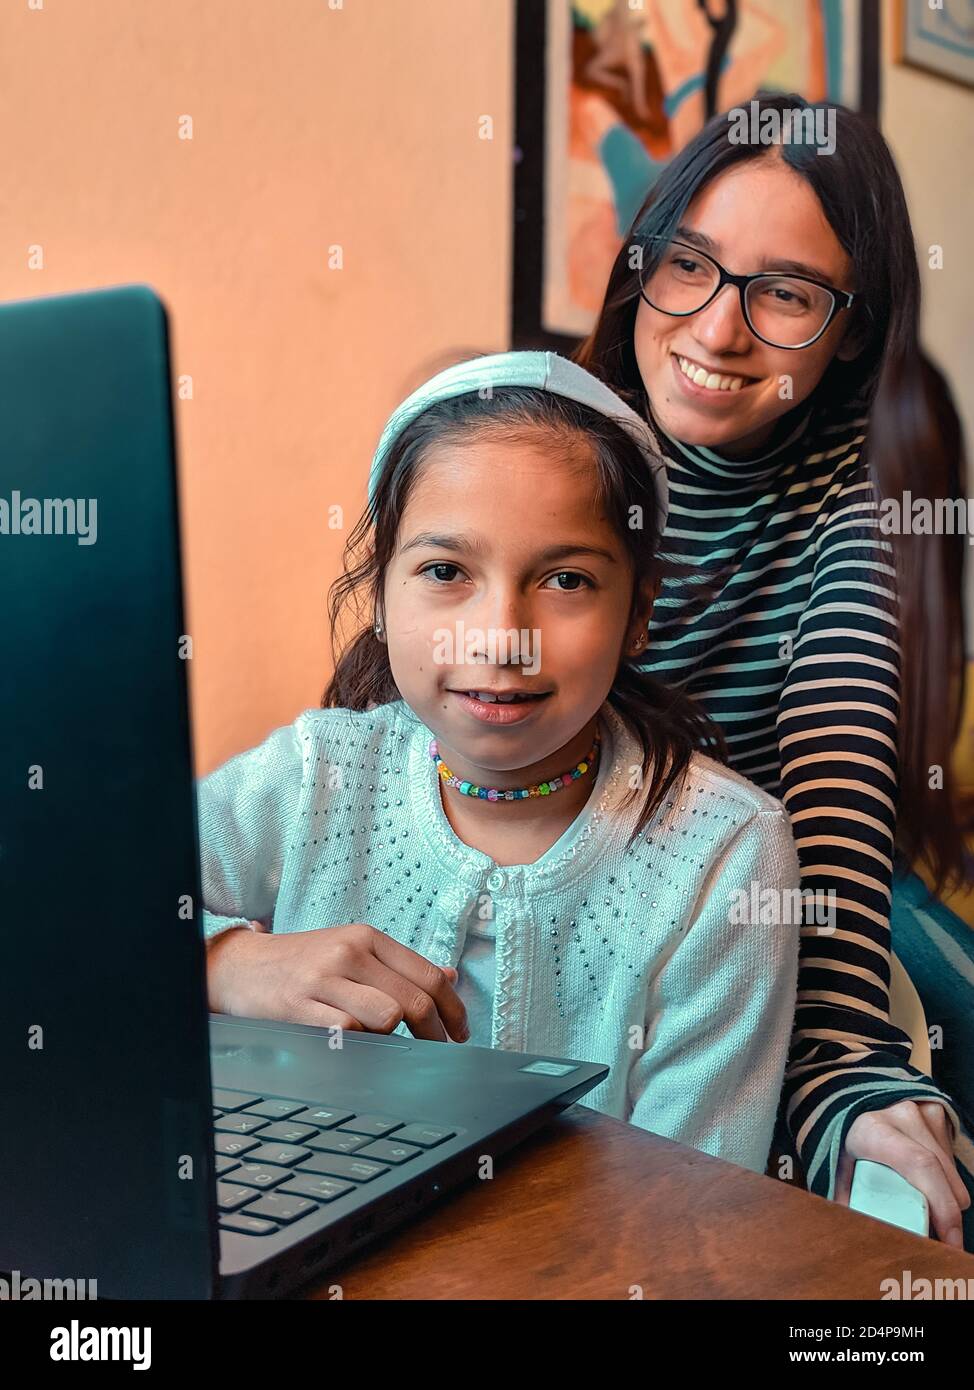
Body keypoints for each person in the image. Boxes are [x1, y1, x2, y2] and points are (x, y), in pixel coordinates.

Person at [200, 350, 803, 1175]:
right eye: (445, 571)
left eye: (565, 579)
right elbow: (69, 918)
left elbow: (692, 1207)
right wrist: (224, 961)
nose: (499, 637)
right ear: (380, 594)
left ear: (637, 615)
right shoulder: (313, 776)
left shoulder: (723, 853)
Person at [574, 90, 974, 1246]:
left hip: (793, 892)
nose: (712, 329)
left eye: (783, 293)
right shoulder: (547, 441)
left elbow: (833, 800)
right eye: (688, 265)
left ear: (850, 326)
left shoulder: (862, 503)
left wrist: (842, 1072)